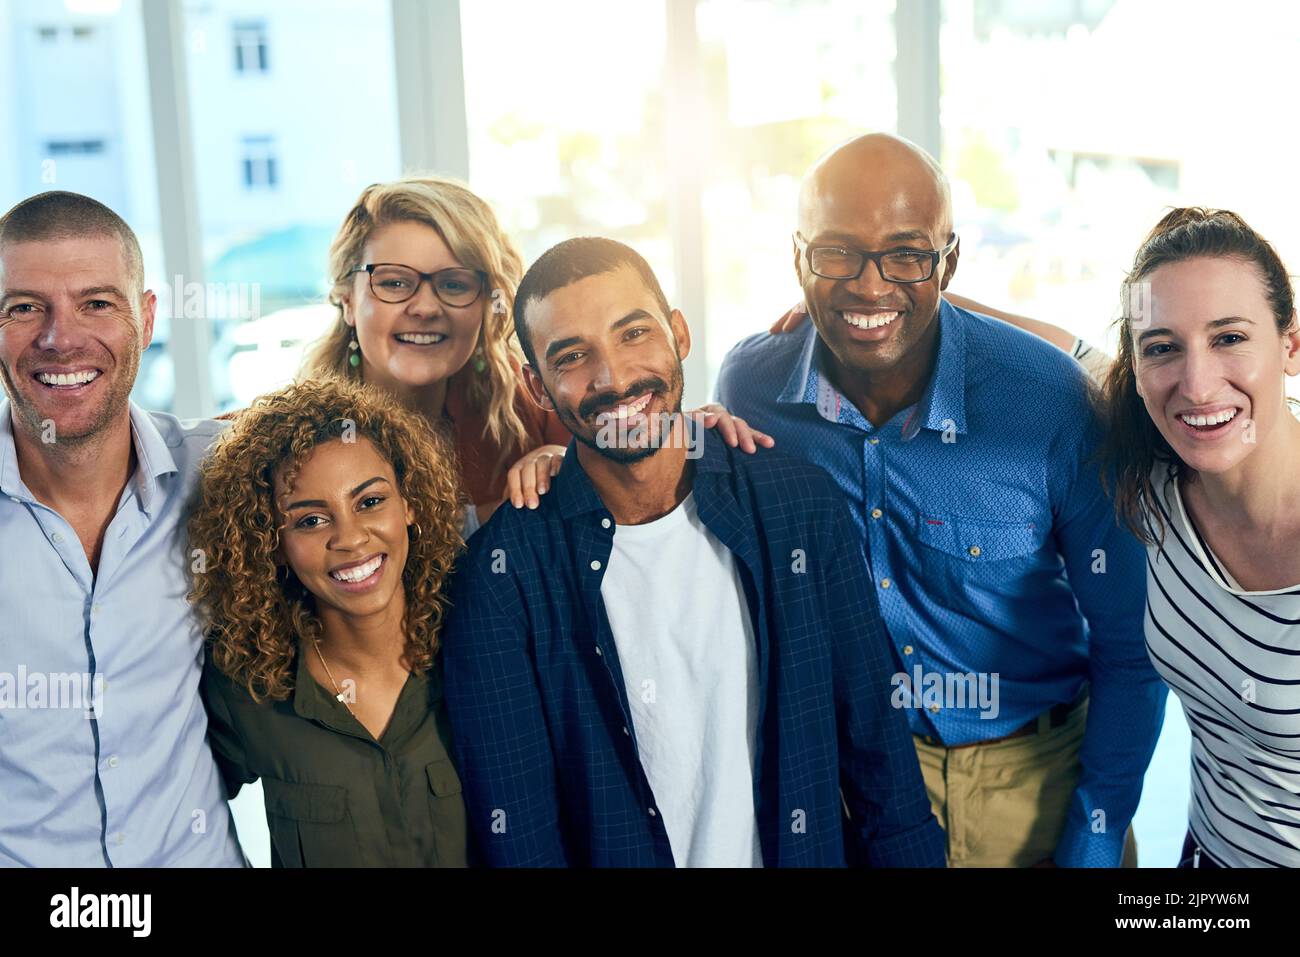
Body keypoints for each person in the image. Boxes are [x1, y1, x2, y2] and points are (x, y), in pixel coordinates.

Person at [715, 133, 1167, 867]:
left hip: (1038, 779)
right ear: (799, 259)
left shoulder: (1050, 404)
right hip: (861, 782)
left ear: (948, 262)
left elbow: (1131, 647)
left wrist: (1095, 831)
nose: (869, 286)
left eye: (905, 254)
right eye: (836, 253)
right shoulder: (751, 390)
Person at [441, 236, 945, 868]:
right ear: (537, 387)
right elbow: (519, 840)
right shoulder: (502, 575)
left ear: (679, 334)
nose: (615, 378)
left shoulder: (797, 507)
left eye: (634, 334)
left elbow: (879, 754)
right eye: (572, 356)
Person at [916, 209, 1300, 867]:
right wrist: (889, 300)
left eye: (1229, 336)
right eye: (1163, 346)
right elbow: (1060, 351)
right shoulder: (1150, 469)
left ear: (1290, 345)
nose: (1198, 383)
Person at [302, 175, 770, 532]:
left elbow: (638, 468)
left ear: (488, 302)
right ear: (346, 297)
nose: (425, 307)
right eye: (395, 282)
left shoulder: (530, 395)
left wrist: (693, 435)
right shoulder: (292, 434)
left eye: (454, 283)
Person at [0, 191, 243, 866]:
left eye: (96, 302)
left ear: (146, 315)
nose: (60, 337)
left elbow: (372, 466)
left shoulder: (218, 472)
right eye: (25, 307)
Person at [189, 377, 469, 867]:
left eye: (370, 501)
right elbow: (171, 817)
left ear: (411, 505)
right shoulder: (246, 688)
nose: (350, 538)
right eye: (310, 520)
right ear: (272, 544)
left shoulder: (480, 649)